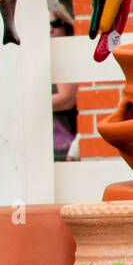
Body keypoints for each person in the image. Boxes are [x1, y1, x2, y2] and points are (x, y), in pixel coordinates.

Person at [51, 11, 79, 160]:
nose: (50, 29)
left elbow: (66, 98)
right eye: (45, 24)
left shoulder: (65, 53)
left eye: (55, 24)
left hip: (66, 145)